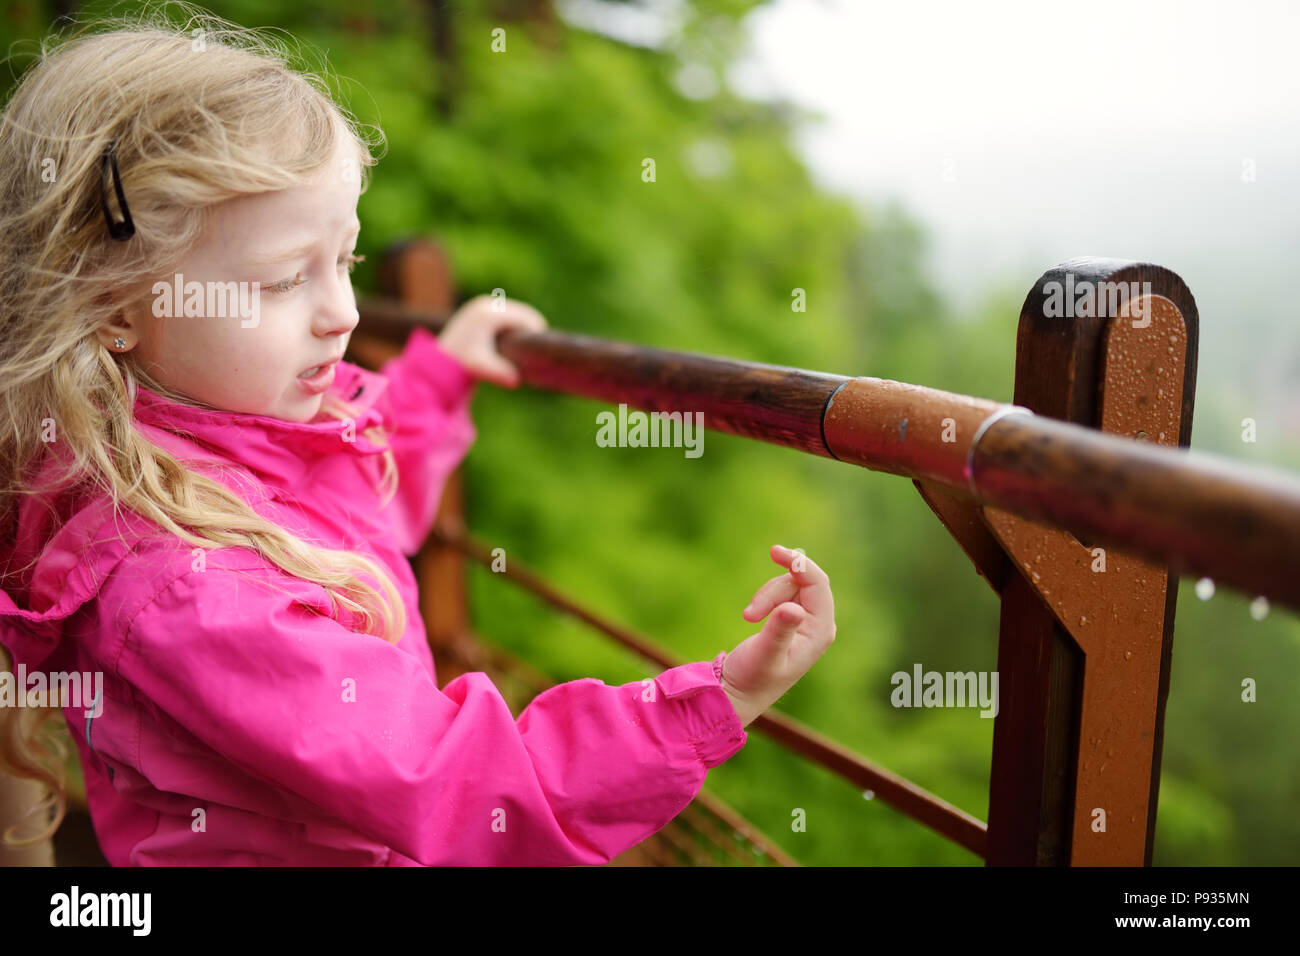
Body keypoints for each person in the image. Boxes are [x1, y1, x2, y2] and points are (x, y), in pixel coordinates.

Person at [0, 12, 836, 866]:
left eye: (347, 262)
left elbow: (346, 507)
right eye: (287, 278)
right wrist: (722, 695)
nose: (345, 315)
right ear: (113, 309)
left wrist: (438, 381)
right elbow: (453, 780)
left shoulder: (204, 449)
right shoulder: (184, 590)